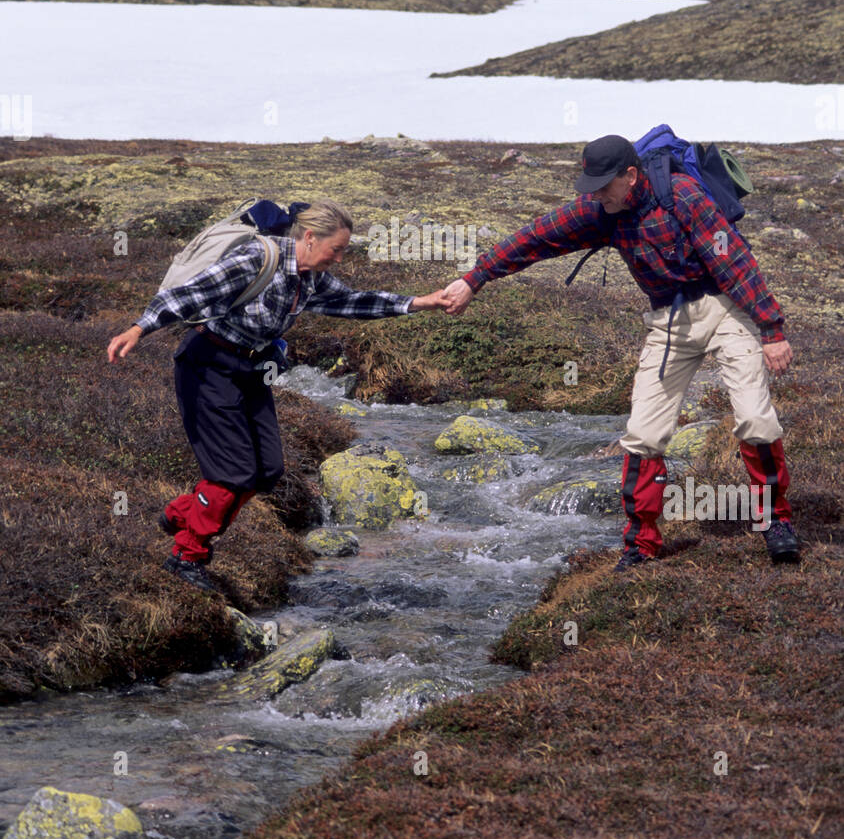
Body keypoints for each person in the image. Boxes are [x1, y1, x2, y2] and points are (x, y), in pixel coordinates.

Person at [440, 134, 800, 572]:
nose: (593, 193)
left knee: (755, 418)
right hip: (668, 322)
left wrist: (770, 327)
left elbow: (733, 259)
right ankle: (640, 544)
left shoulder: (682, 197)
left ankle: (775, 520)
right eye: (589, 184)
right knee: (644, 435)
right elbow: (536, 237)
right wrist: (475, 277)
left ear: (631, 176)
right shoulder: (601, 210)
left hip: (727, 307)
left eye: (602, 184)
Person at [108, 199, 450, 590]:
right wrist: (138, 328)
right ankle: (186, 556)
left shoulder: (312, 279)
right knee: (231, 475)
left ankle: (181, 514)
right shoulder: (257, 258)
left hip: (252, 370)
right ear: (309, 237)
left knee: (267, 470)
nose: (338, 258)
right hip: (208, 365)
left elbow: (353, 301)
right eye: (335, 249)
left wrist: (419, 303)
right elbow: (189, 294)